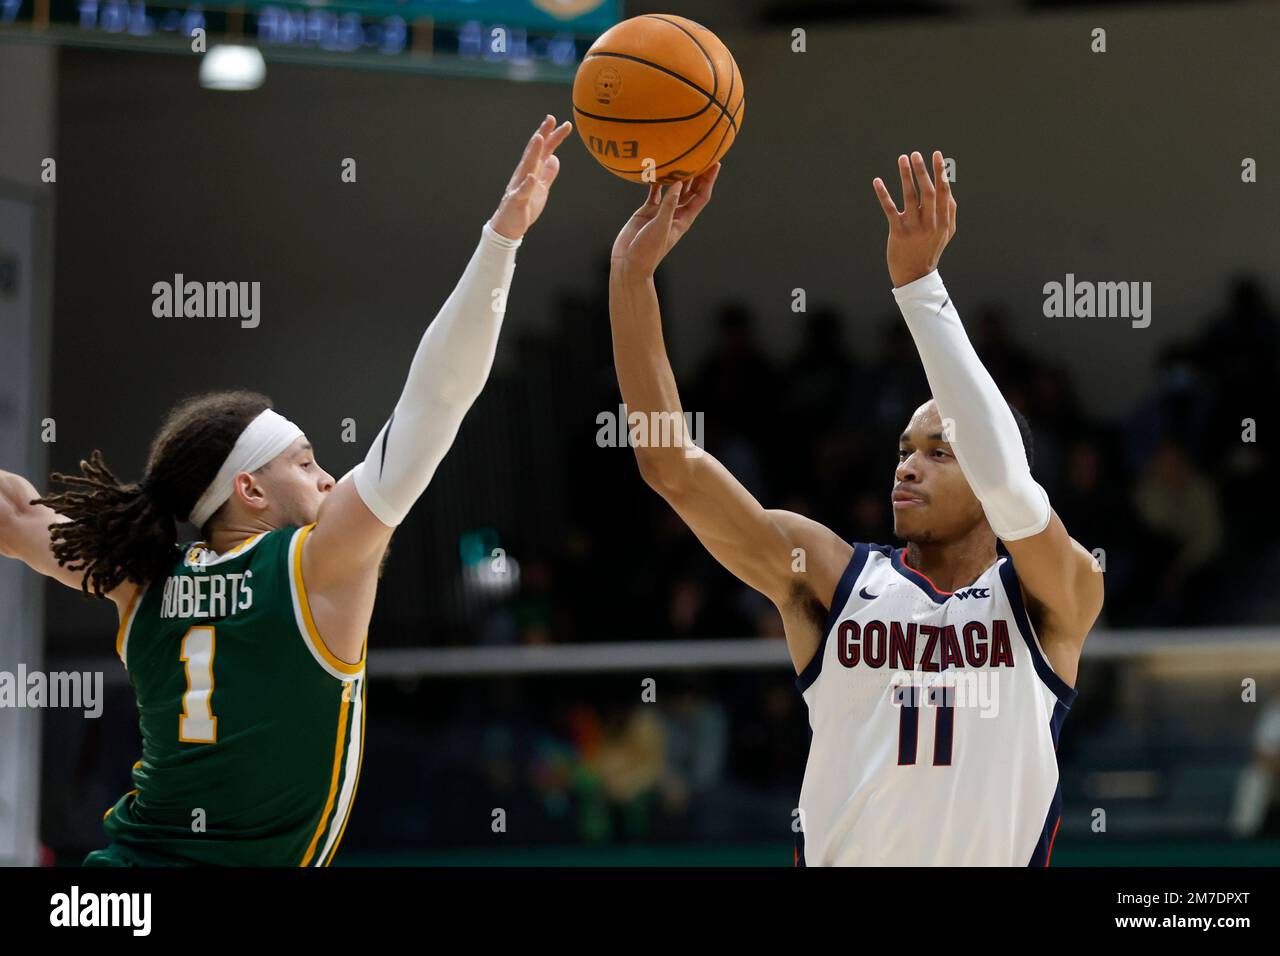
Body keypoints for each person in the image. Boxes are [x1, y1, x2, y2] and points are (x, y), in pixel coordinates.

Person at [0, 115, 571, 866]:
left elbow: (12, 513)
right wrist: (502, 239)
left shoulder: (139, 577)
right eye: (305, 462)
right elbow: (436, 399)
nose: (330, 476)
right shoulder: (317, 566)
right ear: (249, 488)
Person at [606, 152, 1103, 866]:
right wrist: (632, 276)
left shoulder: (1056, 593)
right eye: (904, 449)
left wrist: (921, 289)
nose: (907, 465)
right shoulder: (831, 576)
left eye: (939, 451)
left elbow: (1012, 491)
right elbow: (670, 466)